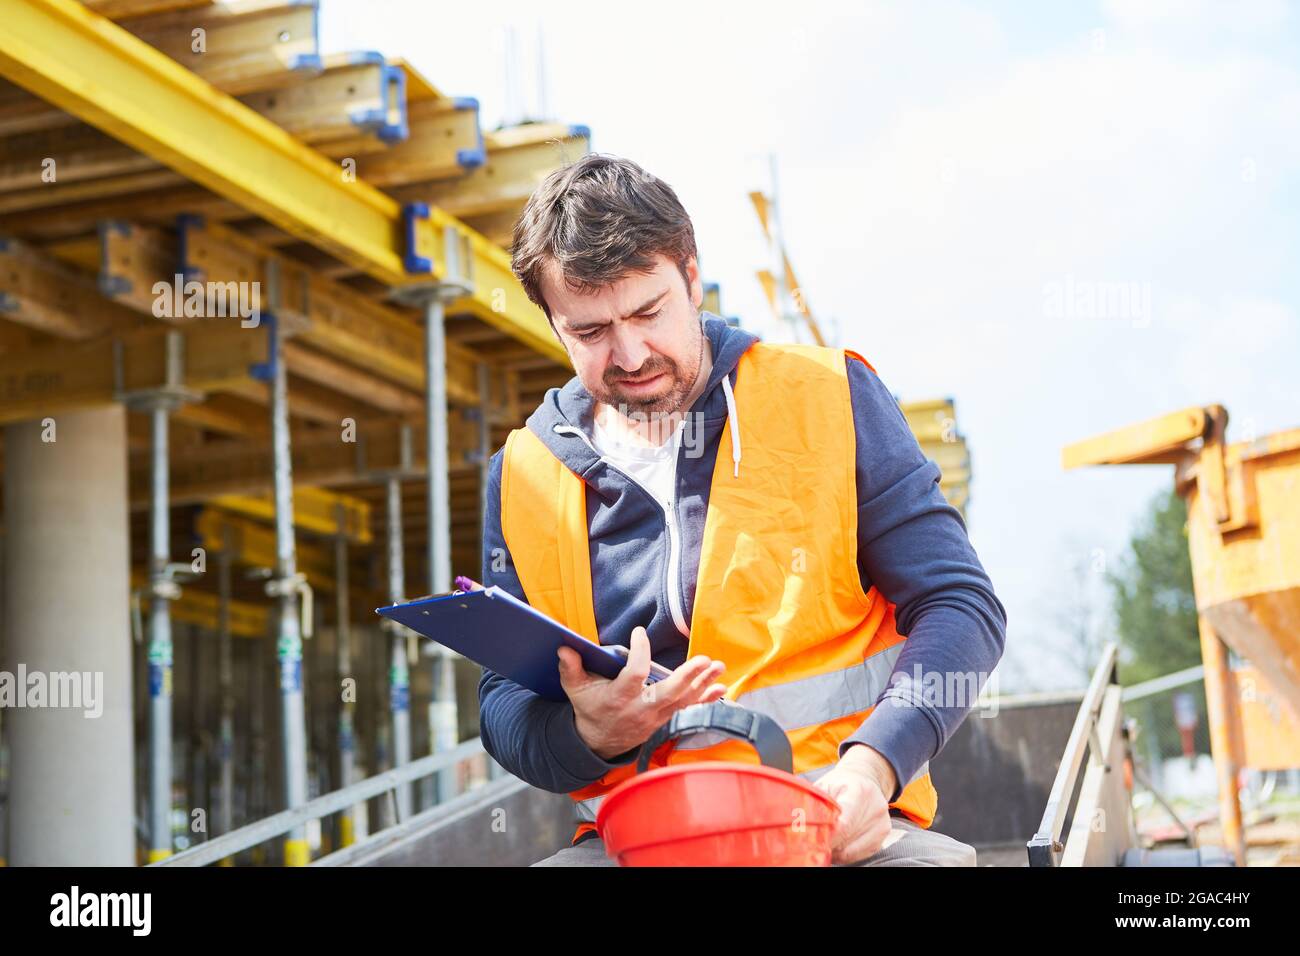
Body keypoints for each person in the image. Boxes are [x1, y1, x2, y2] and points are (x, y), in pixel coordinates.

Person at [478, 153, 1006, 866]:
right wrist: (585, 738)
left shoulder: (829, 397)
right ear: (553, 322)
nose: (630, 353)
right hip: (636, 845)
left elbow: (960, 604)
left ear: (692, 277)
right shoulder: (522, 474)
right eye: (591, 332)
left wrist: (874, 767)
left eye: (647, 312)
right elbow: (502, 703)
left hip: (834, 828)